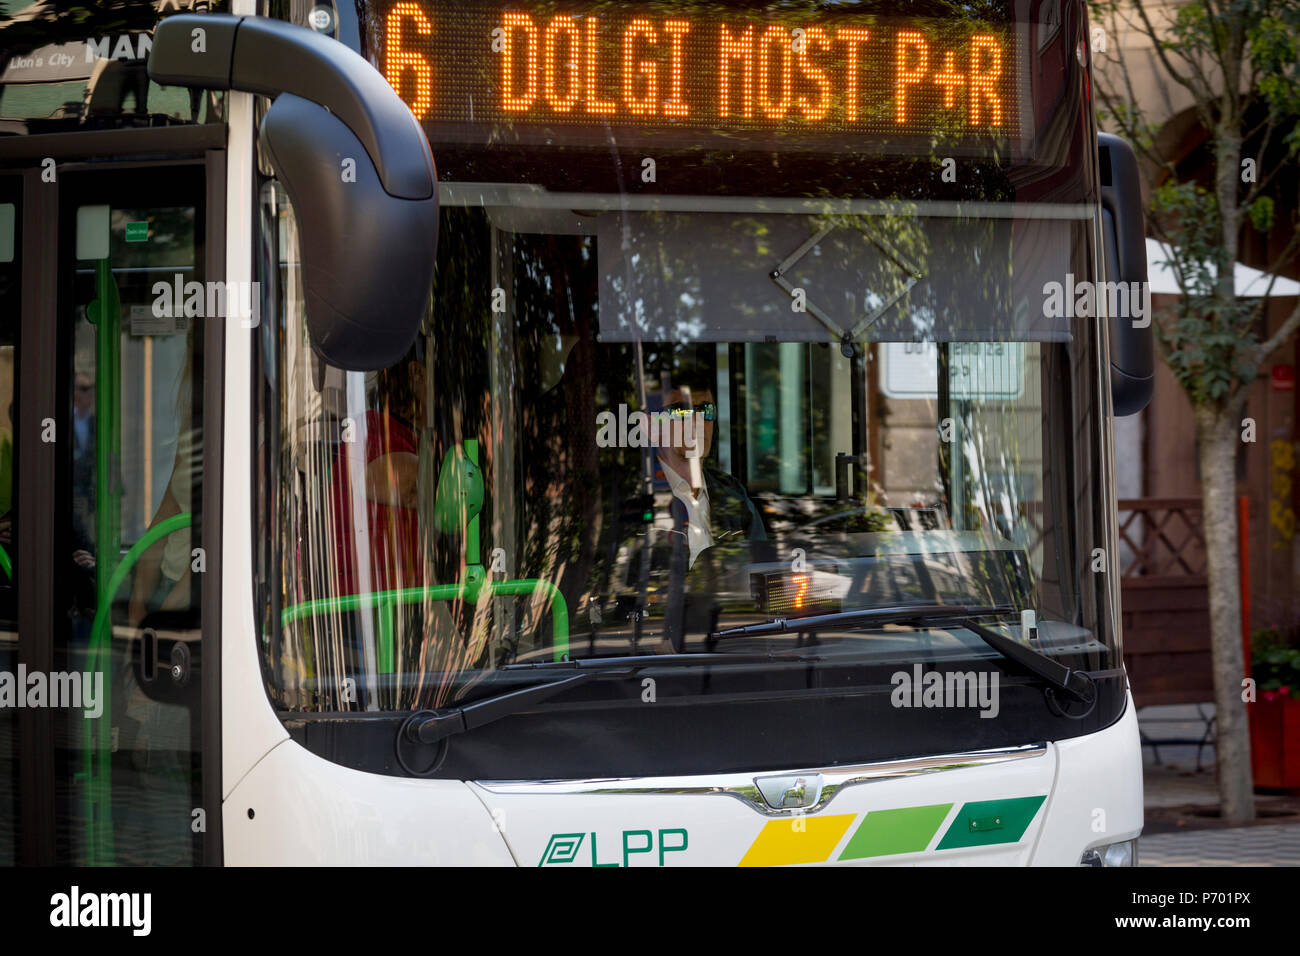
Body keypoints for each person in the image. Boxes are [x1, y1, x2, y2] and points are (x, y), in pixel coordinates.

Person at [654, 379, 766, 569]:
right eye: (682, 411)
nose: (698, 422)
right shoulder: (635, 499)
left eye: (706, 410)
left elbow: (764, 569)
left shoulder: (733, 493)